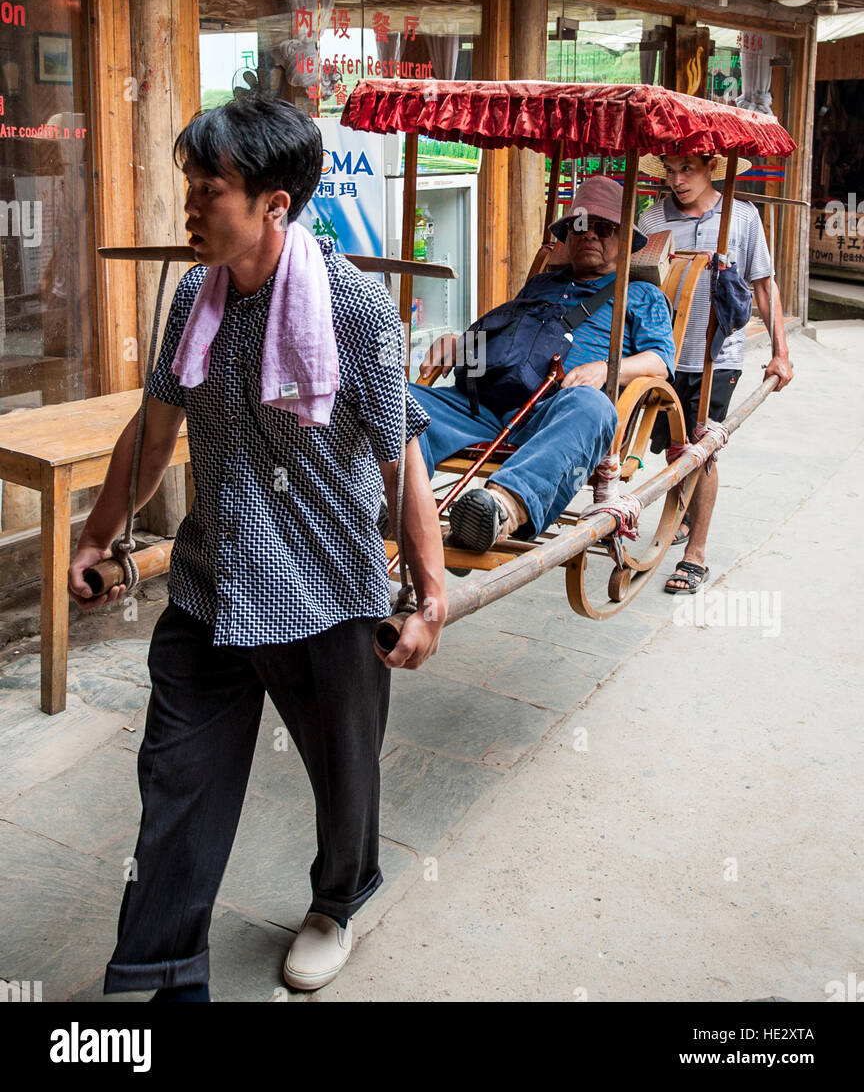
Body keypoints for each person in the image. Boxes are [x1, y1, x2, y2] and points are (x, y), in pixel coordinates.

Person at [68, 96, 446, 1001]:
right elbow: (155, 429)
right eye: (189, 186)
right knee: (176, 785)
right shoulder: (195, 299)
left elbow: (401, 451)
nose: (190, 208)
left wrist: (429, 596)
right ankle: (157, 980)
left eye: (211, 190)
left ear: (275, 203)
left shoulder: (352, 307)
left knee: (343, 777)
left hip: (328, 590)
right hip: (212, 583)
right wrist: (96, 533)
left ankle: (337, 902)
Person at [411, 177, 677, 553]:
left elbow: (661, 362)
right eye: (580, 227)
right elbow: (508, 340)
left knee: (593, 405)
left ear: (624, 241)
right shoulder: (542, 284)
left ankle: (502, 510)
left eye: (604, 229)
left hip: (553, 414)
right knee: (400, 398)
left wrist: (606, 368)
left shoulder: (640, 293)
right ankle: (404, 503)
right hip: (483, 405)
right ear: (567, 237)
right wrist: (460, 344)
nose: (590, 236)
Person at [639, 151, 794, 594]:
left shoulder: (741, 218)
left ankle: (696, 555)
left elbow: (763, 284)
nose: (677, 179)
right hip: (663, 354)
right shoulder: (652, 221)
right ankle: (685, 514)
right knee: (671, 445)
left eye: (686, 169)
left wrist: (780, 353)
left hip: (717, 356)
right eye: (669, 171)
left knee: (702, 448)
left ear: (711, 168)